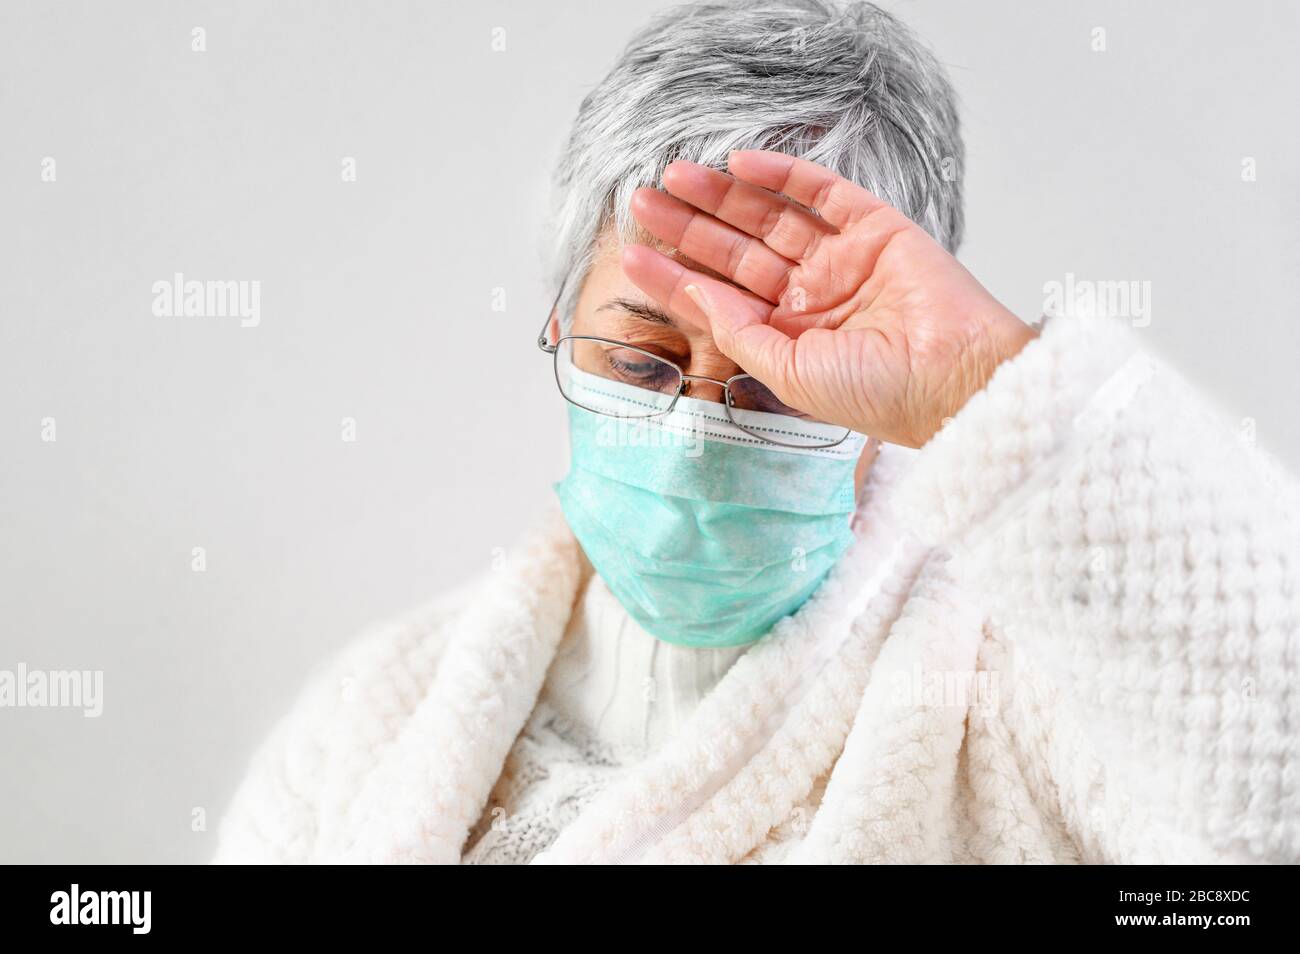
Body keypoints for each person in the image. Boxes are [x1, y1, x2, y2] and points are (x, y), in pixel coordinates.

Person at [214, 0, 1298, 864]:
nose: (693, 438)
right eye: (638, 363)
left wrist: (986, 376)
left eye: (777, 389)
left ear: (886, 404)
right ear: (556, 325)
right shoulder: (371, 720)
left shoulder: (1028, 707)